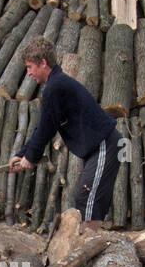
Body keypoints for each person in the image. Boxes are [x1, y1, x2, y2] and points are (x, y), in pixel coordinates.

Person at [8, 36, 120, 228]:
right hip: (98, 146)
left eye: (29, 67)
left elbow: (46, 128)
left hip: (104, 144)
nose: (28, 73)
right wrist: (23, 154)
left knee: (87, 198)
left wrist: (31, 157)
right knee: (86, 198)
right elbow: (45, 124)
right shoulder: (56, 85)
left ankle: (87, 248)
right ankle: (87, 247)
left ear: (42, 63)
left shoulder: (56, 86)